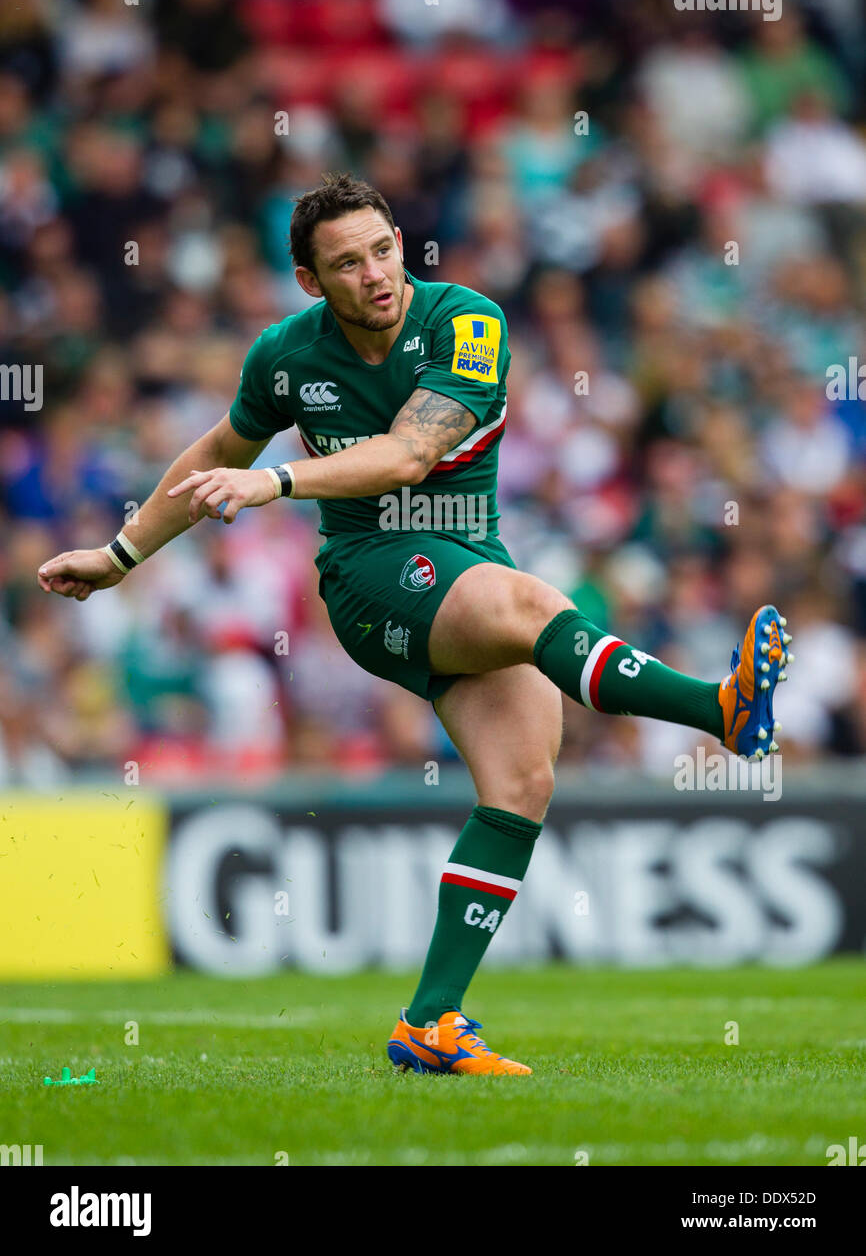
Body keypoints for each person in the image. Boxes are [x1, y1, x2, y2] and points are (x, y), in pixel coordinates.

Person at [37, 173, 793, 1075]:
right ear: (313, 282)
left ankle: (430, 1022)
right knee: (532, 608)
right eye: (347, 265)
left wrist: (273, 481)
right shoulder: (283, 357)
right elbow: (217, 453)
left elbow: (412, 451)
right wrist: (120, 557)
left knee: (522, 783)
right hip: (368, 577)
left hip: (467, 562)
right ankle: (722, 709)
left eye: (383, 250)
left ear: (403, 243)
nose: (375, 275)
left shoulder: (466, 323)